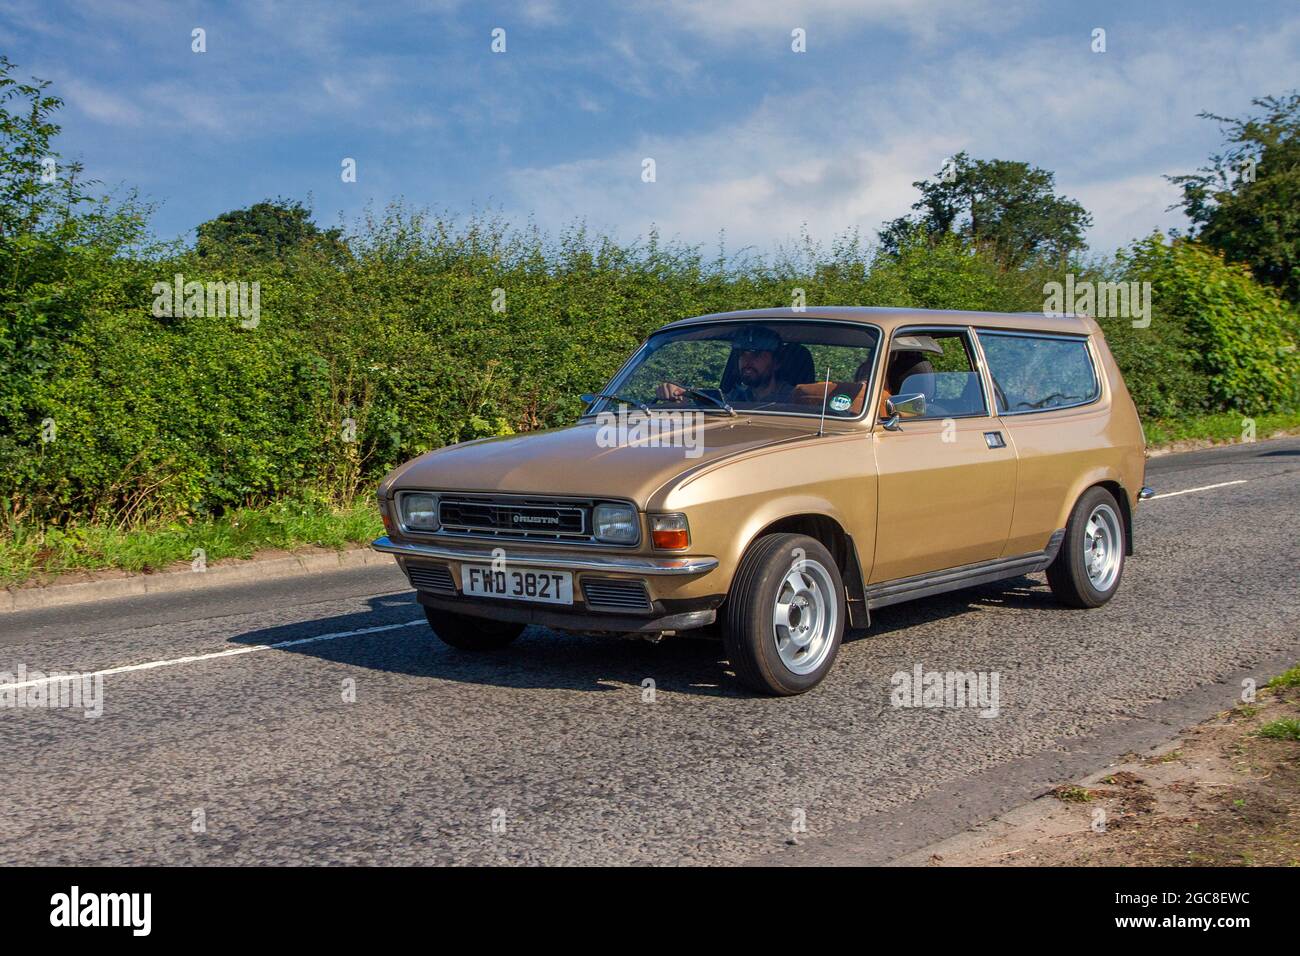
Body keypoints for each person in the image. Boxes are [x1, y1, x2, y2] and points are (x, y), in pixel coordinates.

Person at [656, 326, 795, 405]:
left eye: (757, 354)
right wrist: (680, 395)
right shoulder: (734, 397)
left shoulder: (796, 398)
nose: (747, 360)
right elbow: (711, 406)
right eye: (741, 354)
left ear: (777, 362)